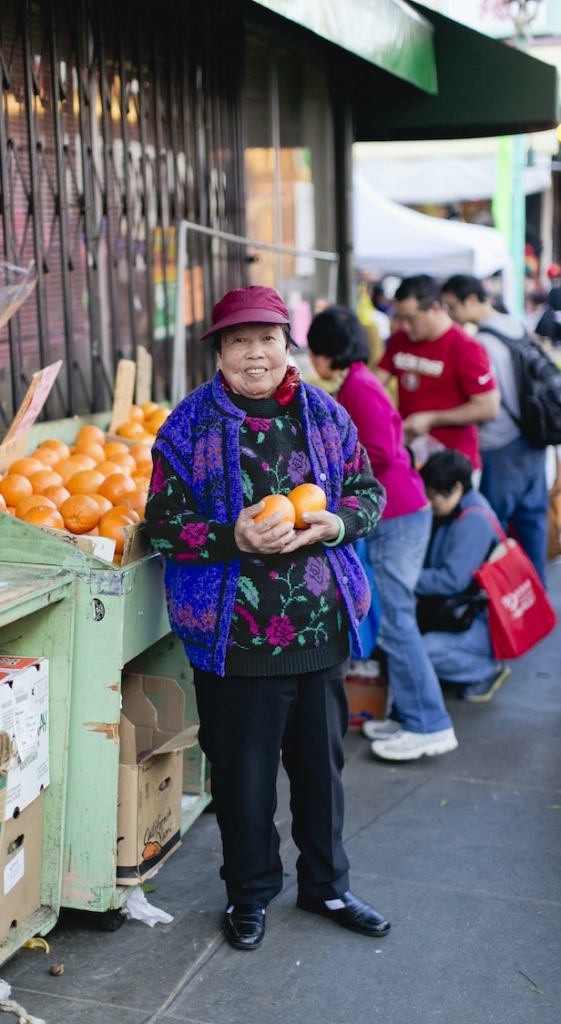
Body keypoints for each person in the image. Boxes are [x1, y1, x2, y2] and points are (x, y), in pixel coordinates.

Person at [145, 285, 390, 951]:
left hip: (318, 630)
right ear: (219, 352)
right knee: (243, 779)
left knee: (320, 772)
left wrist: (335, 524)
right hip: (234, 638)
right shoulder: (188, 426)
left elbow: (368, 493)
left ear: (288, 346)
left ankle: (327, 885)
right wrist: (234, 537)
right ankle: (249, 893)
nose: (254, 353)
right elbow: (161, 525)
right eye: (239, 341)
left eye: (267, 339)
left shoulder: (326, 415)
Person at [307, 305, 458, 761]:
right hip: (398, 513)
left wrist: (331, 476)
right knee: (393, 617)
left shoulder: (360, 387)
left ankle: (430, 724)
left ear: (326, 352)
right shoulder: (358, 382)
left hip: (398, 514)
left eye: (312, 351)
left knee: (395, 619)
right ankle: (411, 715)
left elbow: (379, 453)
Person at [441, 274, 548, 586]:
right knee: (532, 523)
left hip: (501, 445)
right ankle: (535, 595)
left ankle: (503, 597)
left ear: (471, 300)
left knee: (493, 529)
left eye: (452, 306)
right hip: (533, 440)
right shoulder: (516, 326)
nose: (451, 315)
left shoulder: (482, 343)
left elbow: (487, 405)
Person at [375, 274, 500, 469]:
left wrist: (432, 419)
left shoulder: (465, 347)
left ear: (435, 309)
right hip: (410, 456)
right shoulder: (400, 339)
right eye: (400, 318)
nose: (404, 326)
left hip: (453, 463)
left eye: (411, 318)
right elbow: (375, 381)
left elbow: (488, 407)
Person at [416, 449, 511, 702]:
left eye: (433, 495)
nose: (429, 502)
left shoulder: (474, 521)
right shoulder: (462, 508)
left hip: (480, 622)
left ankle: (486, 669)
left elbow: (451, 580)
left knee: (422, 651)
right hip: (468, 614)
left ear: (457, 488)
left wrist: (405, 578)